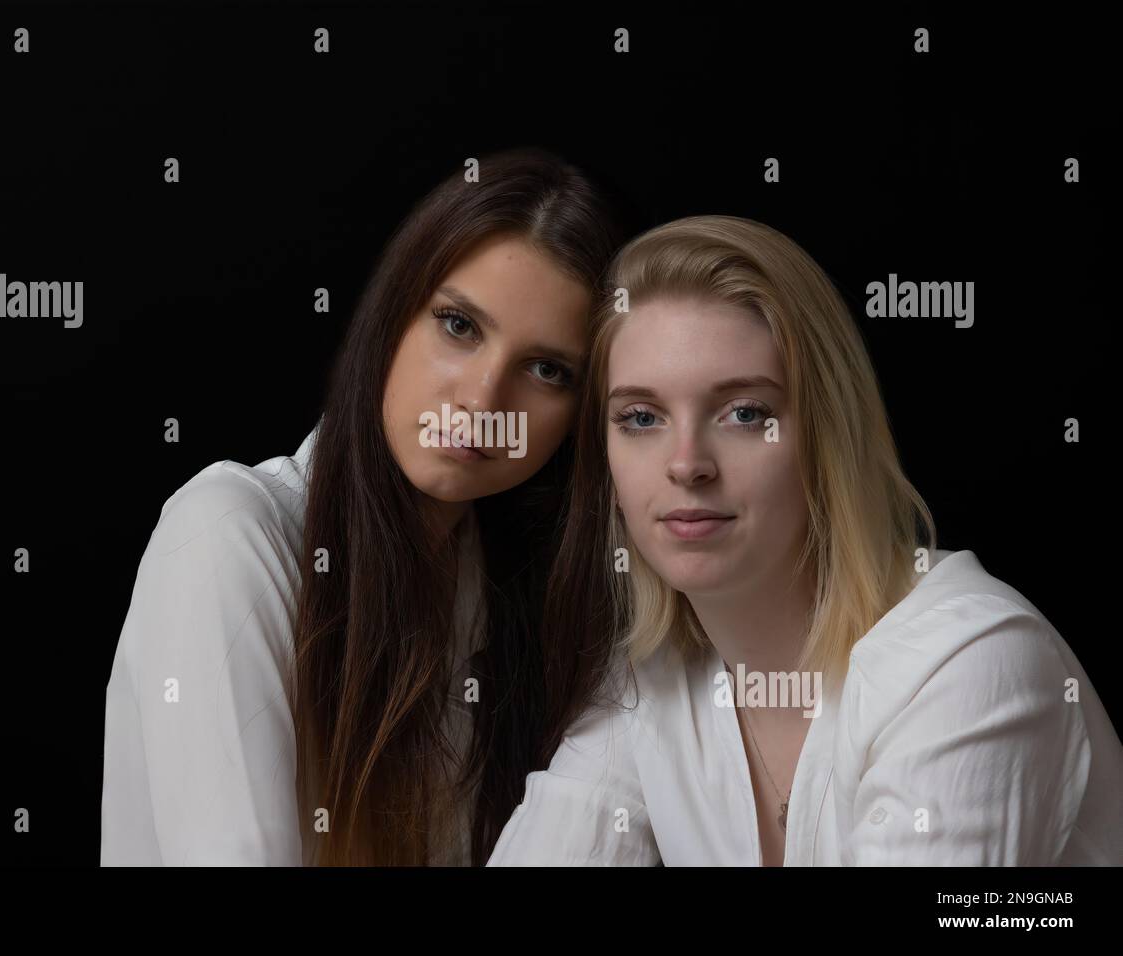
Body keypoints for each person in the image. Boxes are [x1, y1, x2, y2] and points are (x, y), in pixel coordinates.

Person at [488, 215, 1123, 866]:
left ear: (828, 435)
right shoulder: (653, 683)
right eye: (642, 417)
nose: (686, 464)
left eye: (745, 413)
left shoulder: (968, 664)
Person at [100, 148, 625, 865]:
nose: (482, 400)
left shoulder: (529, 603)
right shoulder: (230, 534)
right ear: (393, 316)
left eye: (546, 370)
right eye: (459, 326)